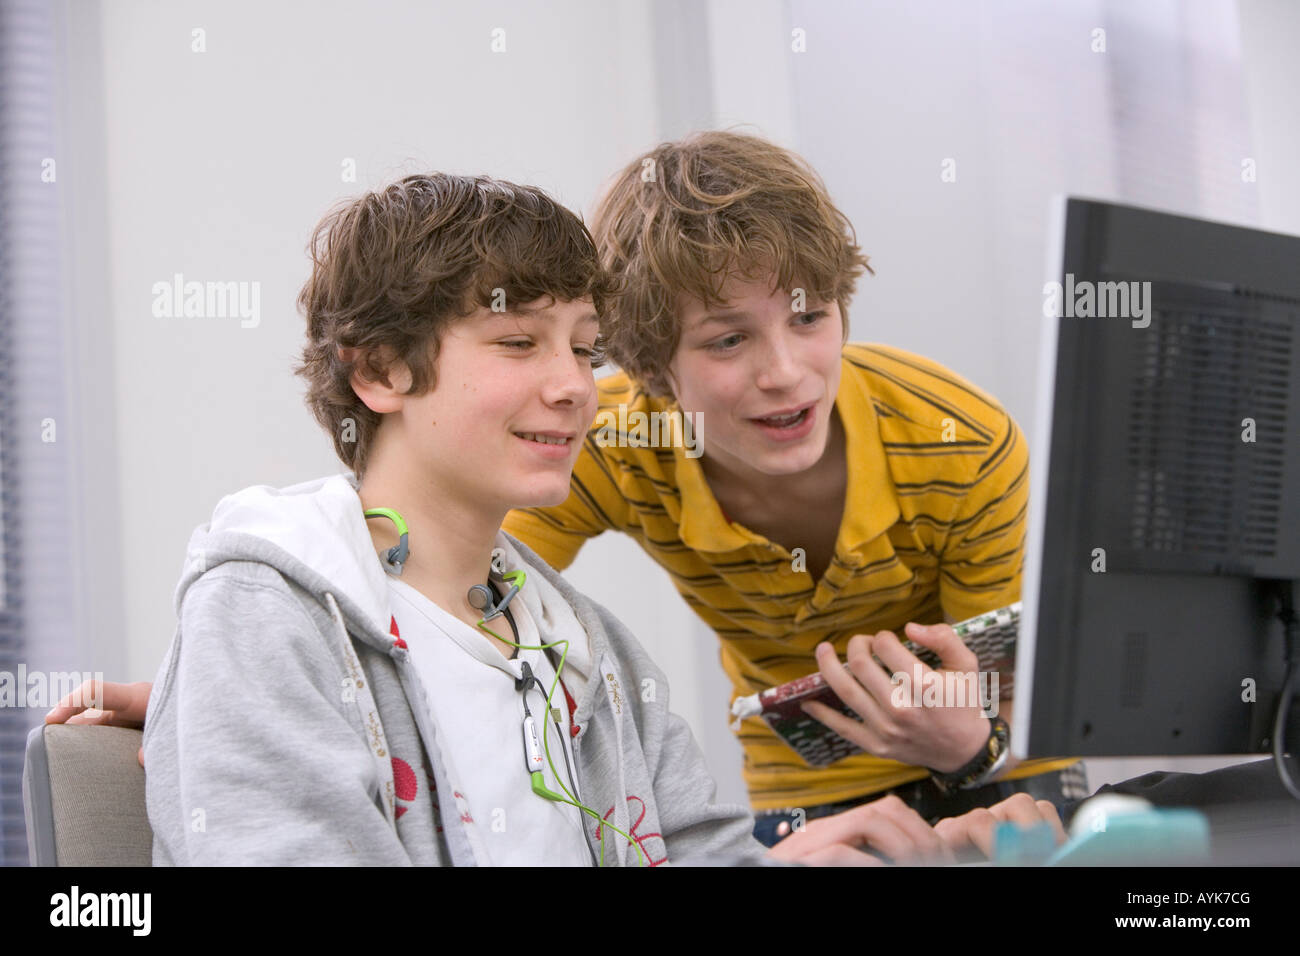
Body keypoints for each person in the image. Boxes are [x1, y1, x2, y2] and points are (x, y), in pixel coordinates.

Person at [54, 171, 1063, 865]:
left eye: (585, 348)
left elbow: (691, 847)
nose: (576, 386)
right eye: (517, 342)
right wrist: (211, 672)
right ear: (380, 371)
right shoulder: (272, 613)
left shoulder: (584, 647)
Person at [496, 130, 1084, 843]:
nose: (785, 372)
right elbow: (476, 597)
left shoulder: (960, 440)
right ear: (651, 369)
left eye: (808, 317)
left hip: (994, 739)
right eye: (728, 339)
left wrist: (974, 750)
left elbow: (1011, 687)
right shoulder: (612, 441)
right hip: (812, 782)